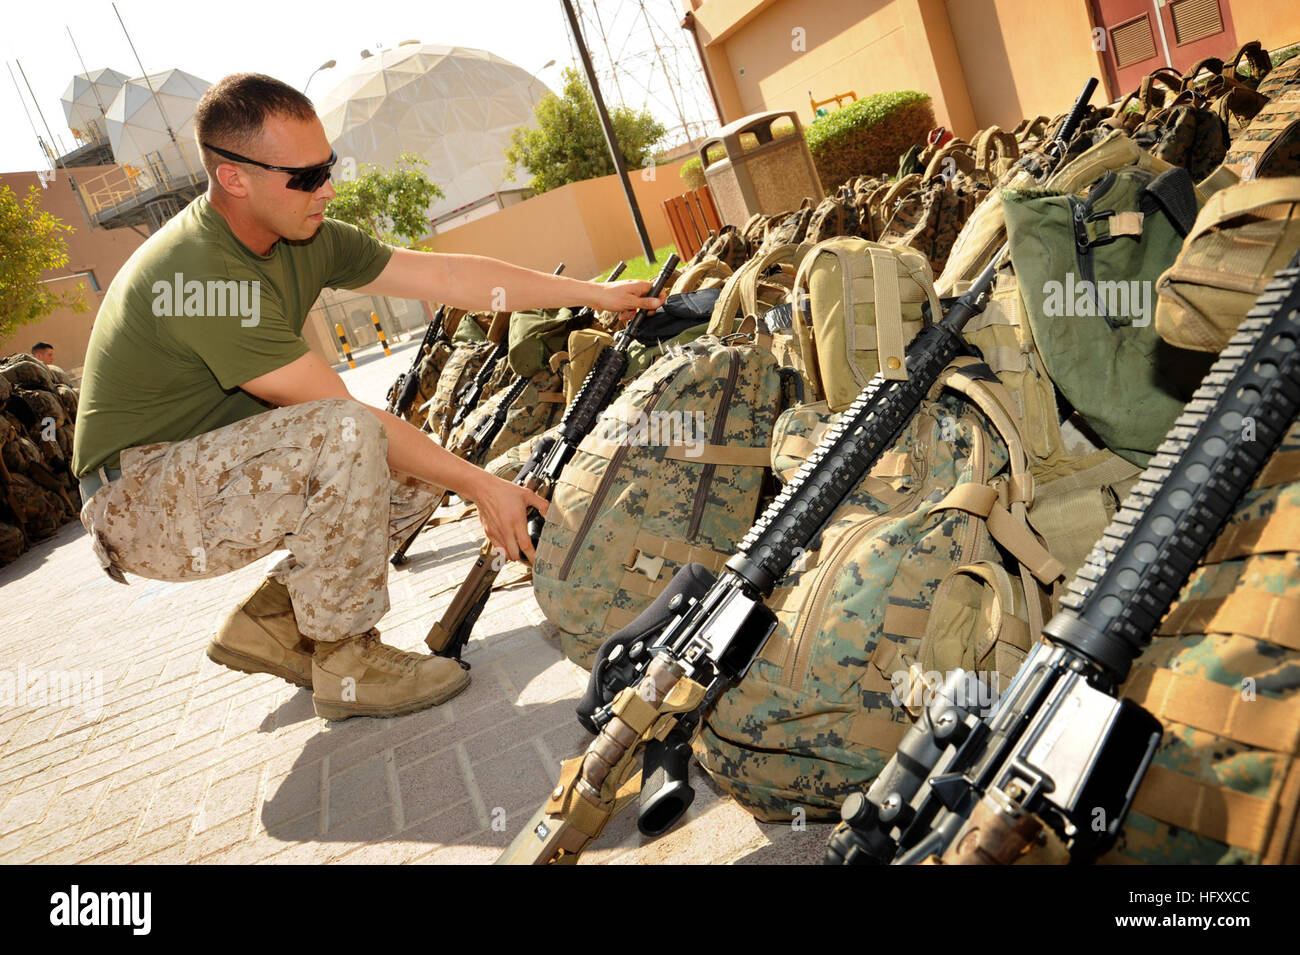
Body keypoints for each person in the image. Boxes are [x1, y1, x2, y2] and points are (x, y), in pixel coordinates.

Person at [72, 73, 662, 721]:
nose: (326, 188)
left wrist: (594, 294)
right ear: (234, 178)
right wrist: (482, 486)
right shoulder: (199, 274)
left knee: (414, 466)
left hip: (199, 472)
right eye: (303, 176)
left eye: (326, 167)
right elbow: (343, 420)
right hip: (136, 502)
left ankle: (279, 621)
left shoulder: (303, 234)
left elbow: (445, 275)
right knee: (355, 437)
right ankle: (345, 657)